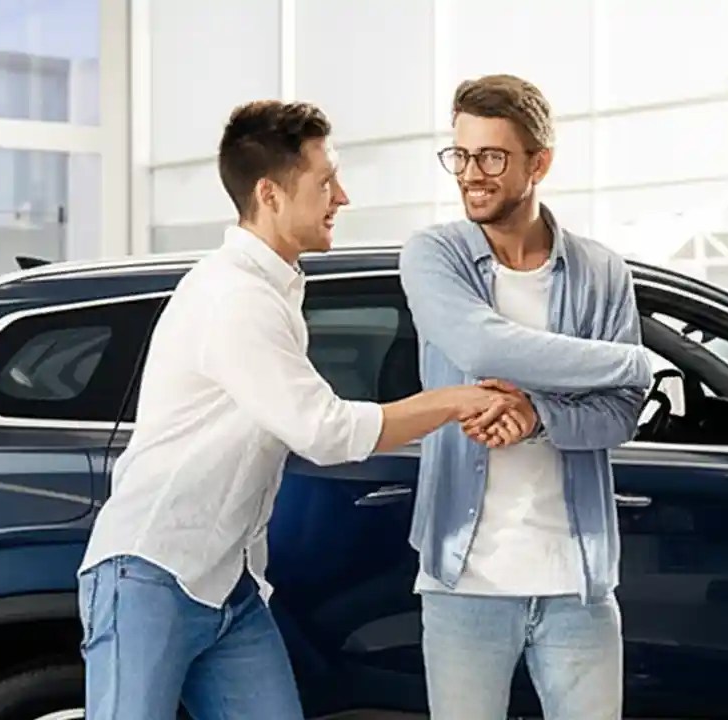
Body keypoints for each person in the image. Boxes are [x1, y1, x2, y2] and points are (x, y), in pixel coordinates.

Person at [75, 100, 515, 720]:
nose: (344, 196)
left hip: (230, 585)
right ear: (270, 194)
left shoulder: (271, 288)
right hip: (152, 576)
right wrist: (455, 400)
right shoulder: (235, 297)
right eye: (325, 180)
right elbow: (325, 430)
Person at [397, 74, 652, 720]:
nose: (470, 174)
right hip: (466, 584)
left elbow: (621, 414)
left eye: (491, 156)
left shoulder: (601, 274)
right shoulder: (434, 256)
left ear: (540, 163)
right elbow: (483, 347)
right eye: (460, 155)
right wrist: (627, 361)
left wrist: (538, 415)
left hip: (578, 585)